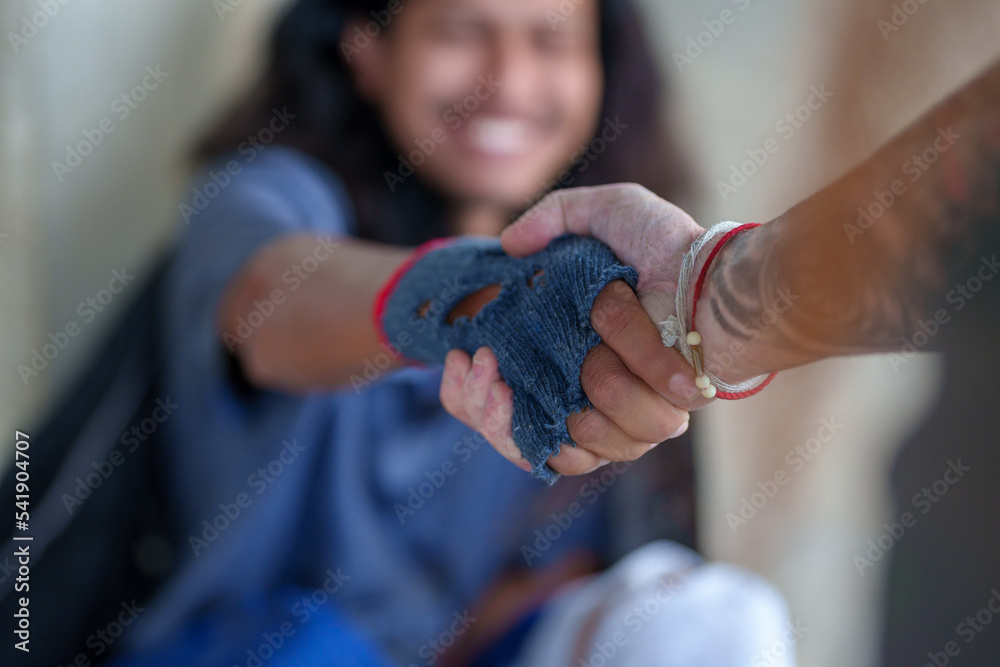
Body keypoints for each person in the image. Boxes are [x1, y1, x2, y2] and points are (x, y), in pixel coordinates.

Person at [106, 1, 794, 666]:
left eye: (552, 40)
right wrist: (471, 295)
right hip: (261, 649)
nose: (509, 82)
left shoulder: (607, 266)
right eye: (461, 32)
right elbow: (270, 302)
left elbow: (574, 572)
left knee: (718, 617)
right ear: (367, 51)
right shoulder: (272, 195)